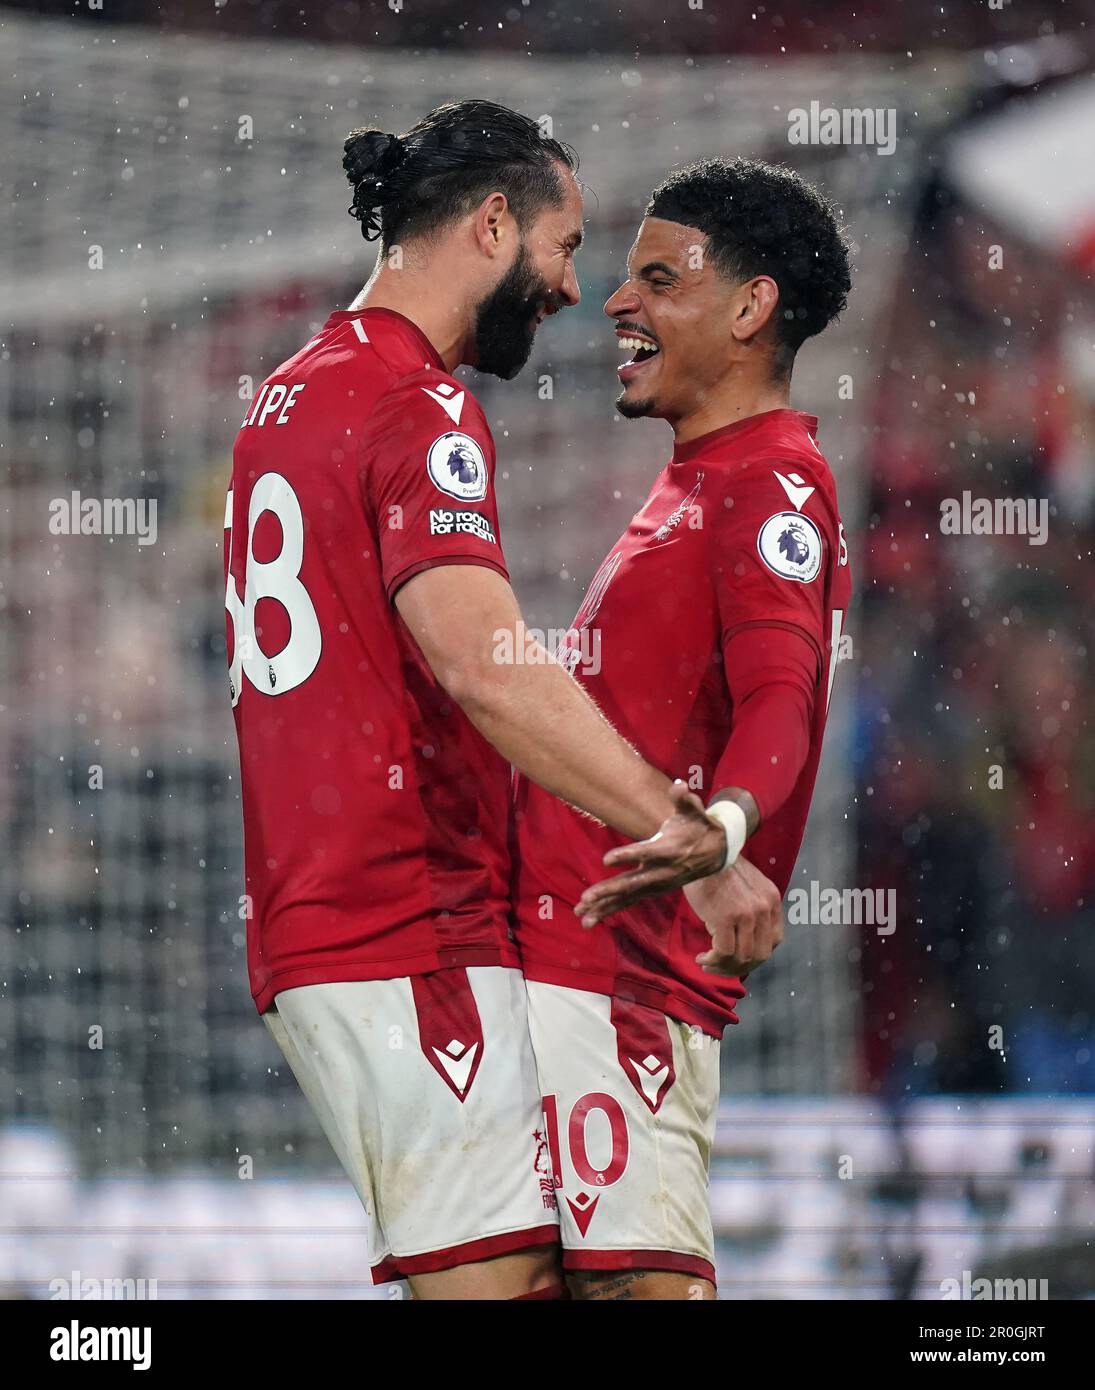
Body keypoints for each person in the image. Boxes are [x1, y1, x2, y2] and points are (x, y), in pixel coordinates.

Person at [223, 102, 748, 1300]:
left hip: (330, 916)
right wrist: (674, 827)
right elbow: (484, 663)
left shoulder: (290, 391)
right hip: (408, 922)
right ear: (495, 222)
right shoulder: (421, 401)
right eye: (564, 249)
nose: (571, 289)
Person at [512, 157, 854, 1299]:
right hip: (571, 967)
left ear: (751, 307)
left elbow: (783, 691)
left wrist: (726, 822)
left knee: (636, 1286)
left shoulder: (775, 481)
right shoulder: (697, 478)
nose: (618, 303)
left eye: (658, 279)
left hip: (626, 980)